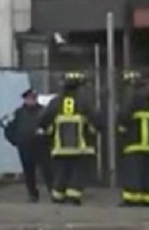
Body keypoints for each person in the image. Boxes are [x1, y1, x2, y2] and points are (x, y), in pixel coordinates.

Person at [39, 71, 103, 206]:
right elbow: (97, 119)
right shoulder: (85, 102)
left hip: (60, 146)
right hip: (81, 146)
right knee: (78, 172)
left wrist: (46, 130)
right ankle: (73, 197)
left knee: (61, 171)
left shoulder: (56, 102)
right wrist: (97, 129)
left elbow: (43, 119)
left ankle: (57, 195)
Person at [118, 70, 149, 208]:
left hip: (135, 139)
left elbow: (124, 115)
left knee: (133, 170)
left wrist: (121, 129)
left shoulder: (134, 96)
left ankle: (132, 198)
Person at [4, 88, 54, 202]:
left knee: (47, 170)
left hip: (41, 145)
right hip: (25, 146)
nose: (32, 101)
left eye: (33, 98)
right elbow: (9, 128)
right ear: (25, 99)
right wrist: (16, 140)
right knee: (29, 172)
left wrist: (47, 139)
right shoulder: (19, 113)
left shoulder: (43, 111)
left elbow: (51, 127)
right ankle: (32, 194)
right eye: (29, 98)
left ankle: (53, 192)